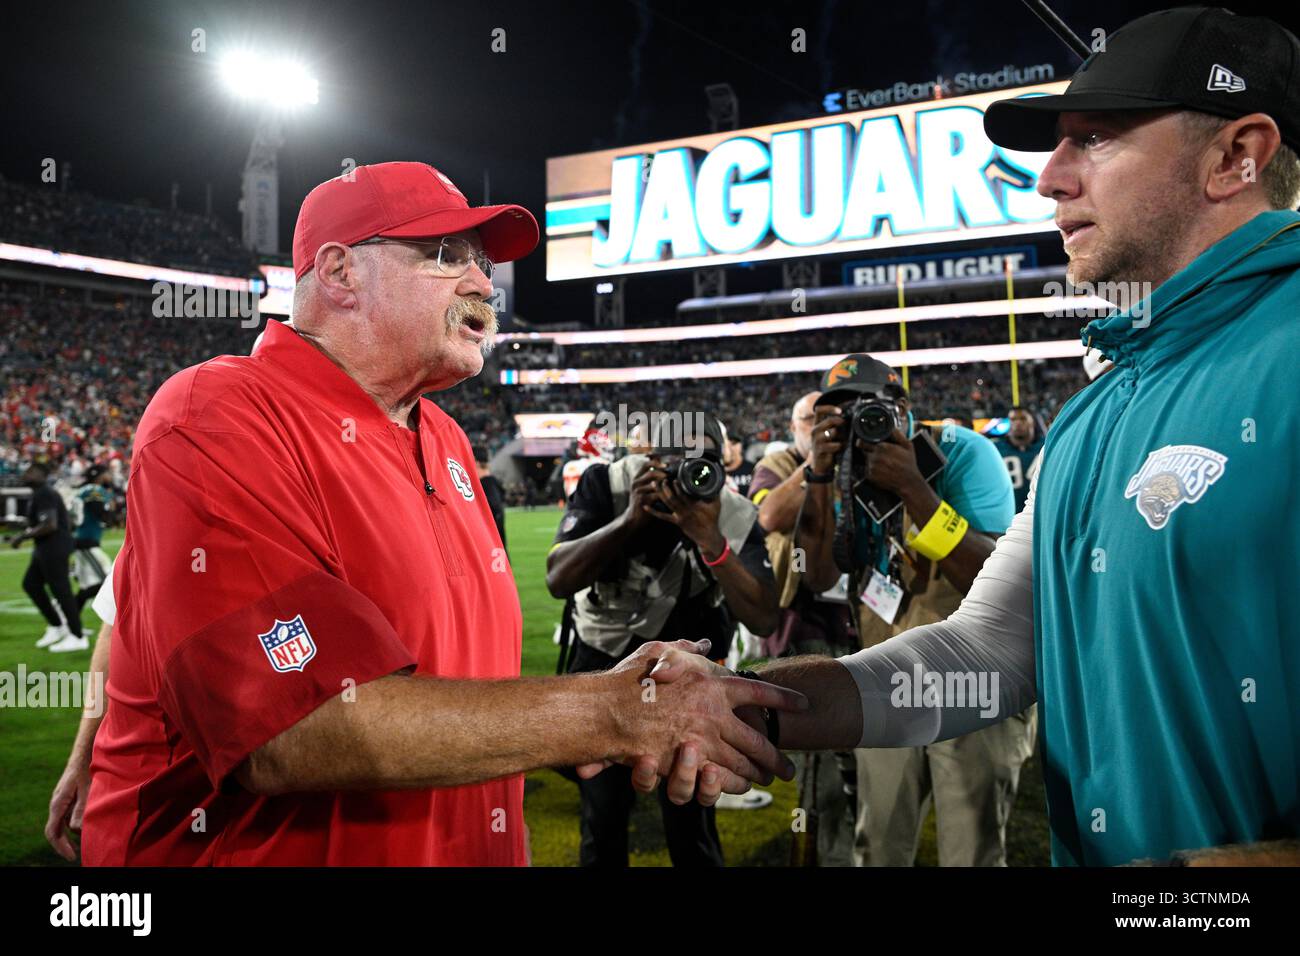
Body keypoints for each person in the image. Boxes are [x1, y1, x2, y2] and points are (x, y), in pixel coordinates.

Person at [644, 7, 1300, 866]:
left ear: (1235, 156)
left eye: (1094, 139)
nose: (1050, 179)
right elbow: (988, 652)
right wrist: (742, 699)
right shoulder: (1096, 413)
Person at [80, 161, 802, 866]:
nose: (483, 282)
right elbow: (290, 728)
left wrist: (577, 728)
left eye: (482, 261)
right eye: (444, 254)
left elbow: (457, 682)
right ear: (338, 275)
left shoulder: (447, 437)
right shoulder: (217, 412)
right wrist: (609, 712)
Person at [801, 354, 1032, 867]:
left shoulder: (963, 452)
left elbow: (989, 578)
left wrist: (914, 488)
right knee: (877, 843)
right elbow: (817, 577)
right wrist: (817, 478)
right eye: (840, 412)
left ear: (902, 408)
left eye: (872, 407)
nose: (860, 423)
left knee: (971, 851)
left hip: (976, 677)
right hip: (887, 676)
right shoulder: (838, 470)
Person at [546, 412, 779, 866]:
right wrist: (630, 521)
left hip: (690, 687)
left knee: (693, 823)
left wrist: (713, 542)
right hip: (605, 675)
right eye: (672, 457)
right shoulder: (609, 485)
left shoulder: (731, 511)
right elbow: (559, 578)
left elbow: (764, 618)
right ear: (648, 457)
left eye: (701, 458)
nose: (685, 471)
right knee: (603, 819)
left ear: (722, 464)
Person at [749, 391, 858, 865]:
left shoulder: (857, 458)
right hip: (801, 623)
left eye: (825, 419)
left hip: (860, 620)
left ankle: (854, 843)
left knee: (864, 750)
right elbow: (769, 514)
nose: (817, 426)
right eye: (807, 419)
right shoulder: (777, 462)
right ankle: (818, 855)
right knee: (817, 761)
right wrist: (817, 461)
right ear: (792, 425)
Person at [6, 462, 85, 653]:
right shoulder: (39, 494)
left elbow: (50, 525)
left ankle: (77, 636)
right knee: (31, 584)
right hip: (45, 548)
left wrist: (22, 537)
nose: (26, 474)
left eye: (30, 471)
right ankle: (57, 625)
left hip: (54, 547)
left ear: (41, 474)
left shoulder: (45, 493)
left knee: (61, 590)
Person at [71, 463, 114, 615]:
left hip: (82, 540)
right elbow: (99, 511)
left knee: (85, 586)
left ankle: (72, 626)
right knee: (107, 581)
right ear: (99, 475)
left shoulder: (83, 490)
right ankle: (64, 607)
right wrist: (109, 514)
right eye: (106, 473)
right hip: (87, 542)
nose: (109, 476)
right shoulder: (94, 490)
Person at [992, 407, 1044, 513]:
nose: (1018, 423)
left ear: (1033, 422)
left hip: (1041, 513)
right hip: (1008, 515)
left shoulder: (1047, 446)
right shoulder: (995, 449)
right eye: (1013, 419)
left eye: (1023, 419)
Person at [473, 445, 507, 551]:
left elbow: (494, 511)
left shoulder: (487, 485)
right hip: (496, 550)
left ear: (476, 462)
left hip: (491, 550)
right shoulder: (492, 483)